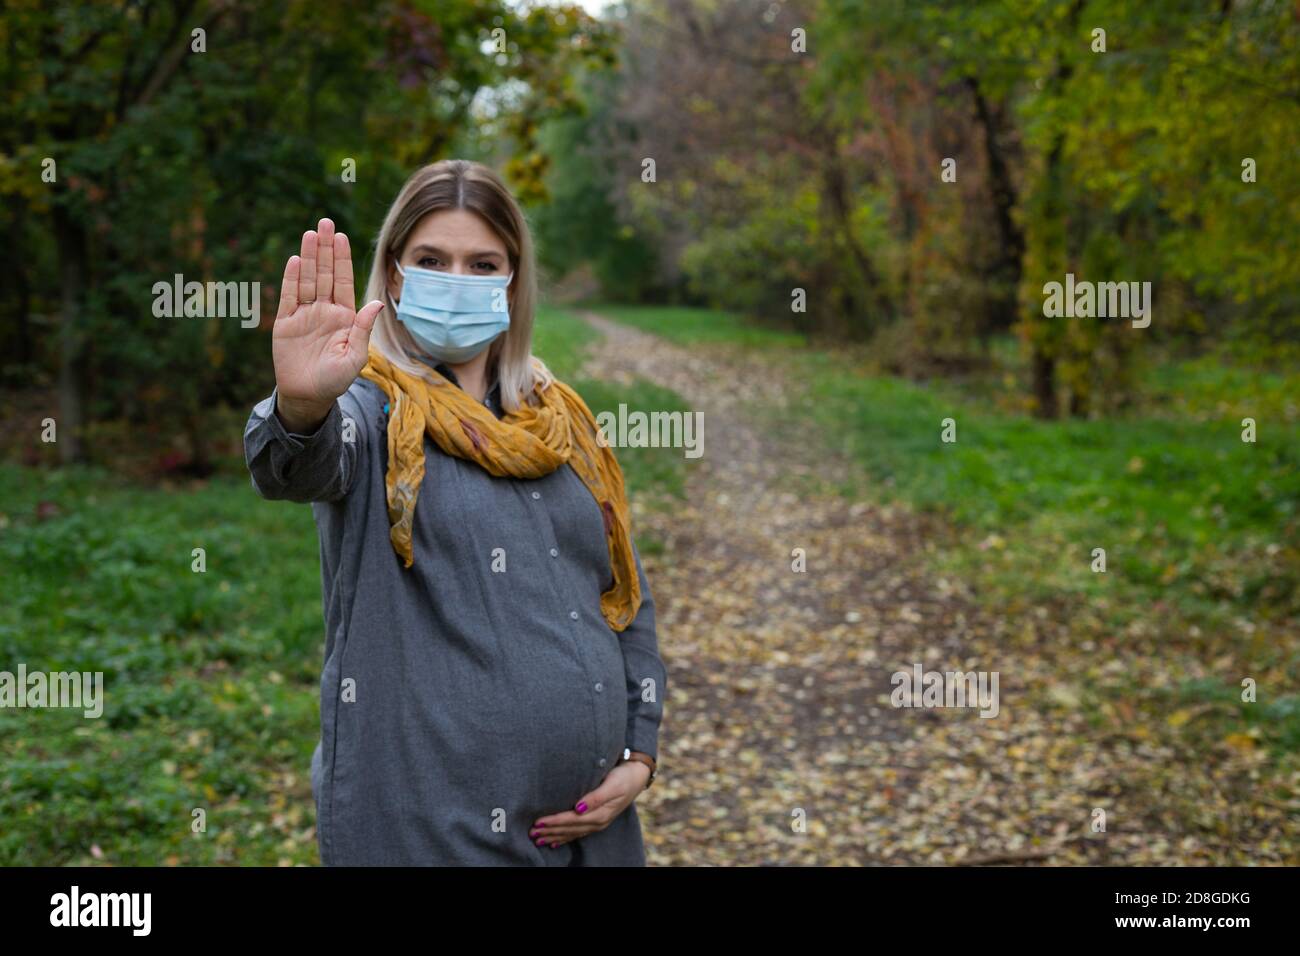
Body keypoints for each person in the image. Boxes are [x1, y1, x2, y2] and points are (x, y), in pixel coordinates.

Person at [242, 159, 666, 865]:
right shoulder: (370, 411)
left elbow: (626, 600)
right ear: (395, 272)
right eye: (432, 259)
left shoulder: (559, 420)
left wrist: (639, 750)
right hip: (433, 833)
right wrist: (303, 403)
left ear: (514, 280)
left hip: (595, 833)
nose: (458, 280)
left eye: (484, 262)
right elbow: (291, 464)